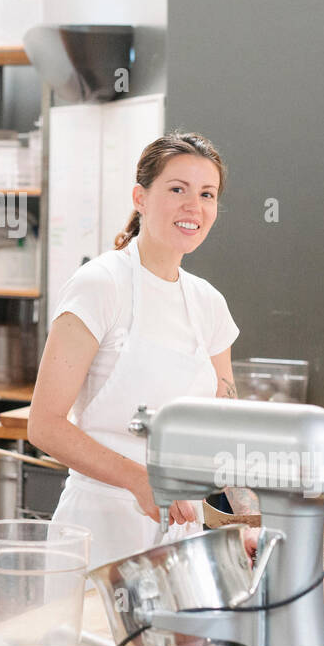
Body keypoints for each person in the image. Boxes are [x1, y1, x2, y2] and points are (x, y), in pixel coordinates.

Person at [29, 131, 256, 566]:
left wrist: (248, 521)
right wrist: (140, 480)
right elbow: (44, 425)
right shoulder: (100, 285)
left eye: (207, 194)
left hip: (180, 538)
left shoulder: (209, 303)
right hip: (97, 529)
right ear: (141, 197)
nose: (195, 207)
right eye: (177, 189)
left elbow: (227, 432)